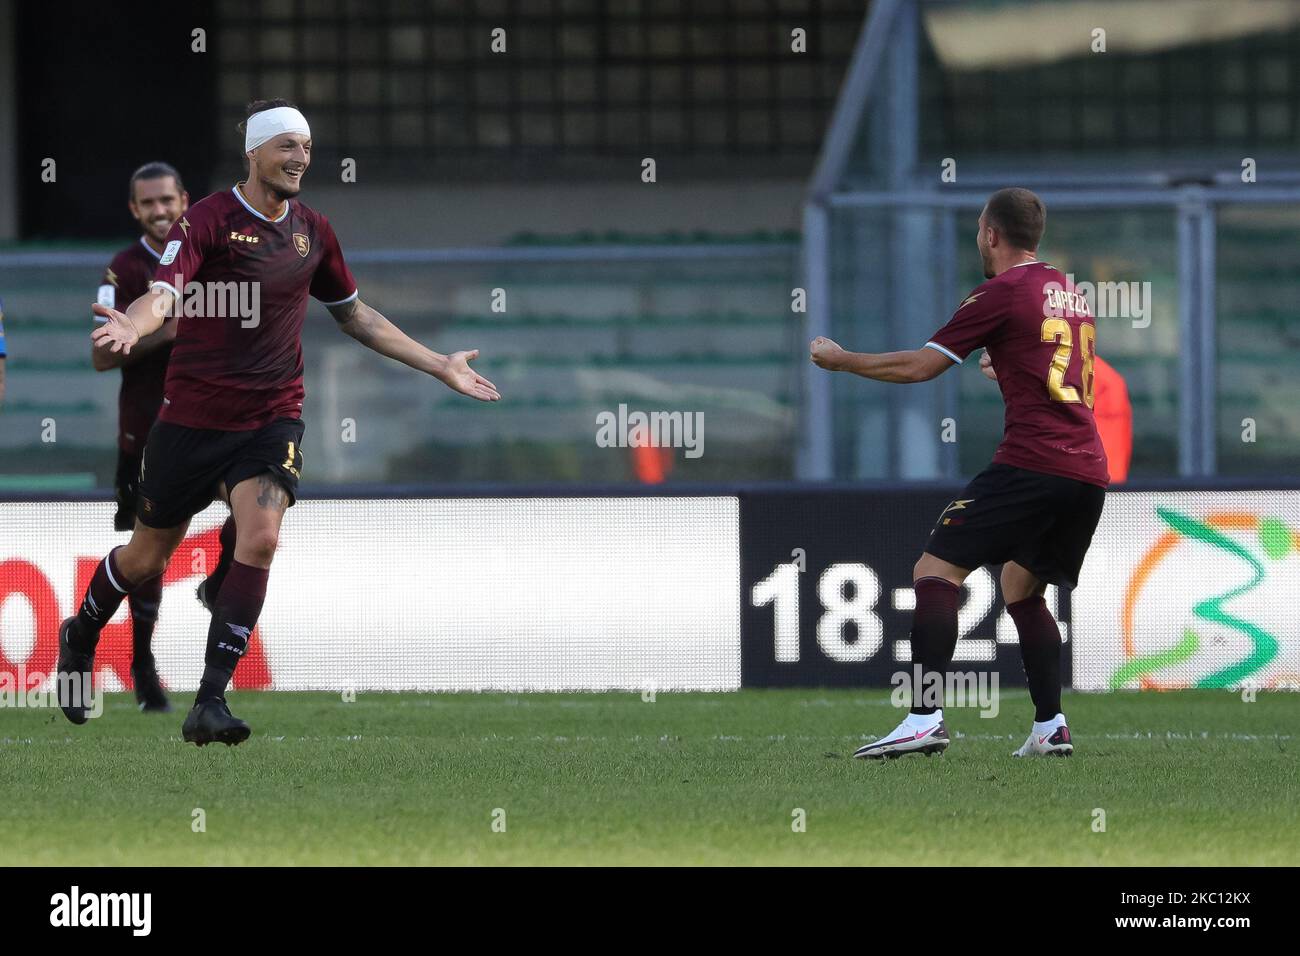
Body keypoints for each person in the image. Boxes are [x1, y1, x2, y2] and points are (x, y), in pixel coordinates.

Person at [60, 99, 500, 745]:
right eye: (287, 147)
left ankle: (209, 702)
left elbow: (357, 315)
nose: (301, 159)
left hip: (271, 418)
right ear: (256, 153)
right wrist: (135, 321)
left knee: (261, 538)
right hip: (190, 422)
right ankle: (83, 631)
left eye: (308, 148)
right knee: (148, 556)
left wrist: (439, 364)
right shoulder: (207, 219)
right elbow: (164, 294)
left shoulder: (313, 231)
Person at [810, 187, 1107, 759]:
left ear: (992, 234)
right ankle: (1051, 726)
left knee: (936, 570)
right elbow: (1063, 372)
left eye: (979, 229)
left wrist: (841, 359)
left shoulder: (999, 293)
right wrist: (1013, 368)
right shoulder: (1070, 293)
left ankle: (923, 717)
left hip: (1033, 463)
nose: (978, 238)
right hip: (1087, 470)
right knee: (1022, 586)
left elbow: (921, 367)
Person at [93, 162, 238, 712]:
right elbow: (99, 357)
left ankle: (219, 582)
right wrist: (159, 328)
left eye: (167, 201)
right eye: (147, 204)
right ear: (135, 210)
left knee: (255, 505)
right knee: (146, 555)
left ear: (185, 200)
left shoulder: (214, 252)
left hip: (212, 423)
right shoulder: (124, 267)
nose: (159, 212)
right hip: (146, 432)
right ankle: (142, 661)